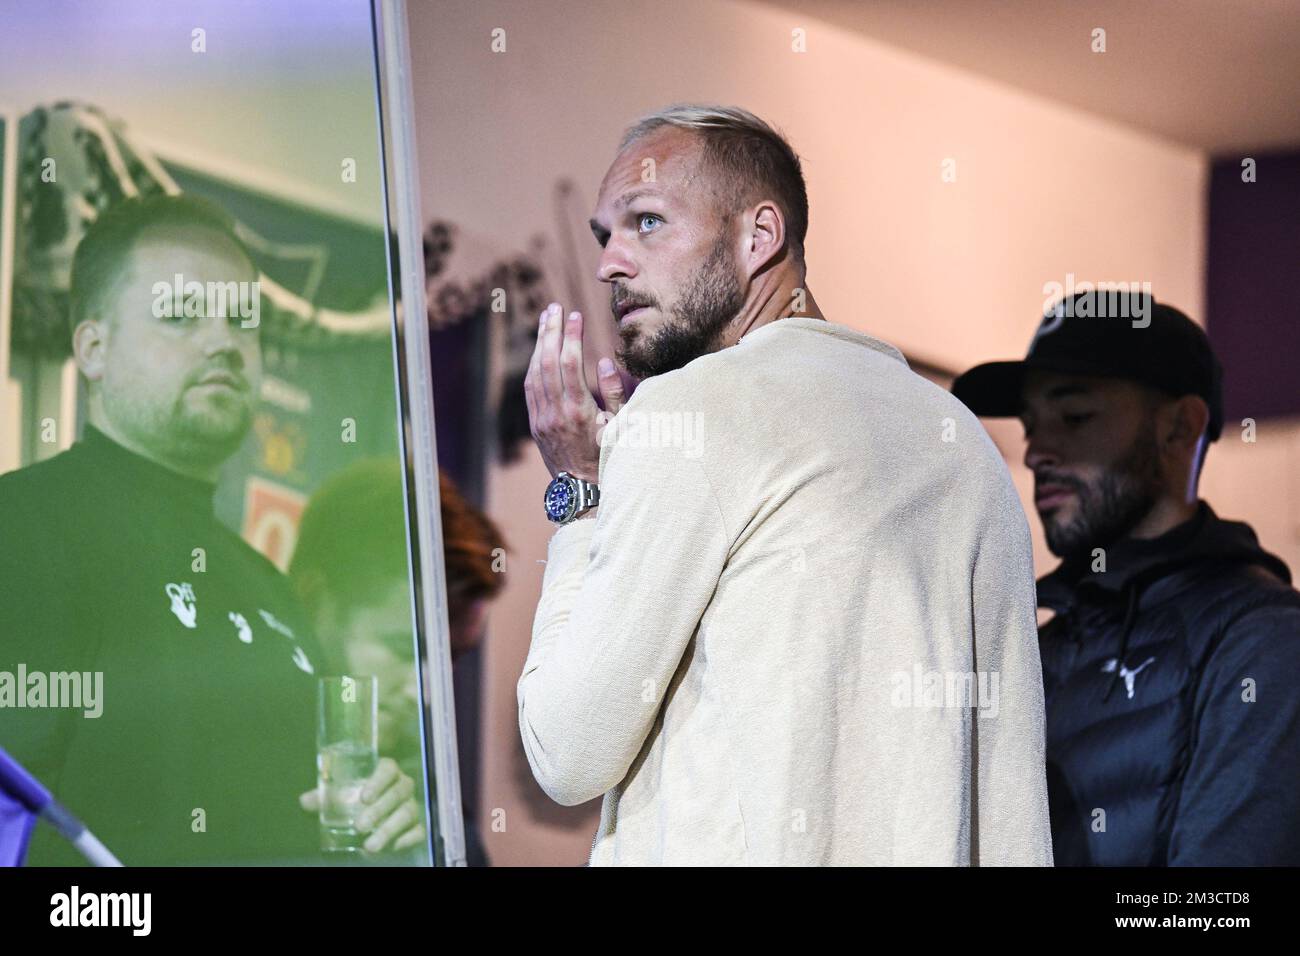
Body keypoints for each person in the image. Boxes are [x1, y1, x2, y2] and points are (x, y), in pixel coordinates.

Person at [517, 104, 1052, 865]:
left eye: (646, 223)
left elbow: (566, 751)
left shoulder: (696, 408)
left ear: (758, 236)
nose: (610, 264)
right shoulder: (963, 443)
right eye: (604, 235)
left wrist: (577, 493)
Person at [0, 194, 419, 864]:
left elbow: (302, 815)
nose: (224, 340)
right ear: (93, 348)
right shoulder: (20, 529)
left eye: (241, 320)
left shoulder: (268, 587)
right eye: (179, 314)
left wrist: (380, 811)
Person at [952, 289, 1300, 865]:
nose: (1037, 453)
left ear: (1179, 429)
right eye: (1031, 425)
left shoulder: (1265, 641)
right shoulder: (1037, 642)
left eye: (1075, 416)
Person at [290, 461, 508, 865]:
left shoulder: (442, 815)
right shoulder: (239, 758)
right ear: (315, 601)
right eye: (403, 649)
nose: (423, 692)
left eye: (451, 660)